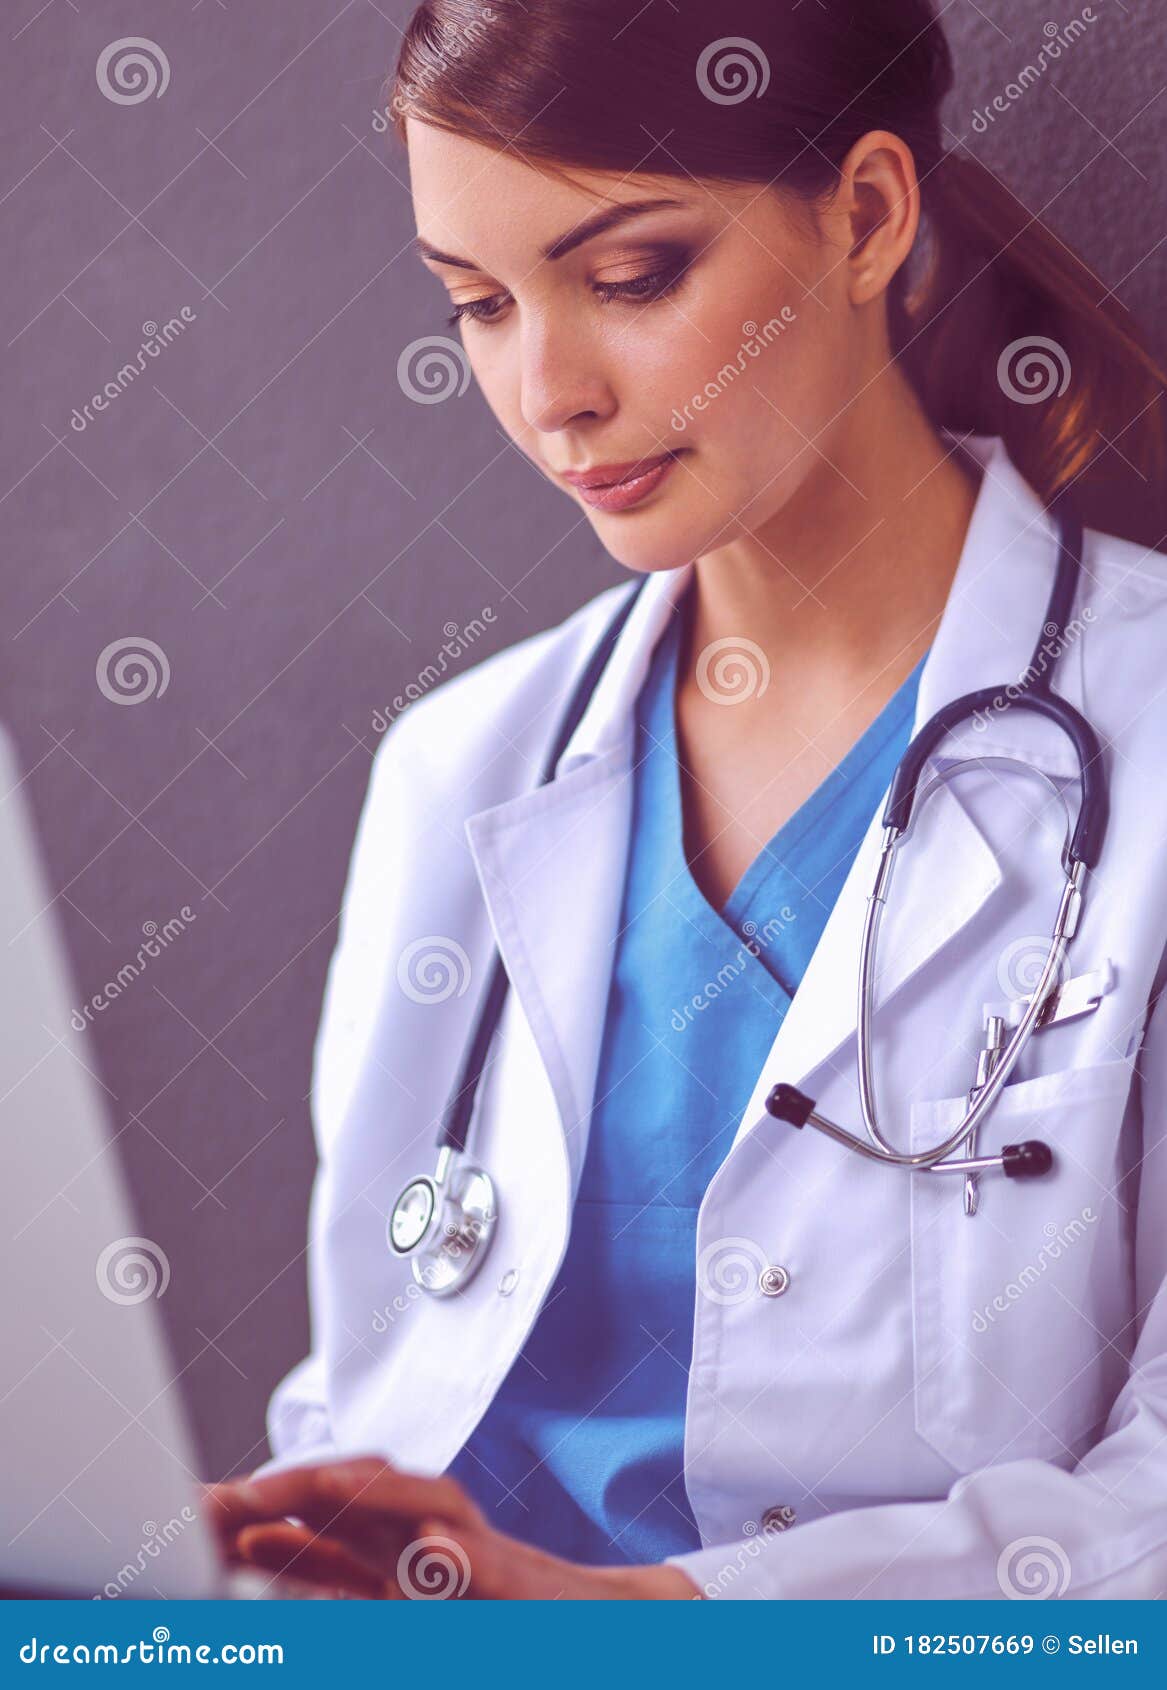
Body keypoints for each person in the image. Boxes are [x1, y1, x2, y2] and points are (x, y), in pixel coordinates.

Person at [202, 0, 1167, 1599]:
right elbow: (365, 1392)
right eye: (478, 305)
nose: (548, 392)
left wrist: (644, 1619)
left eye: (632, 276)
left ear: (867, 215)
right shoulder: (462, 764)